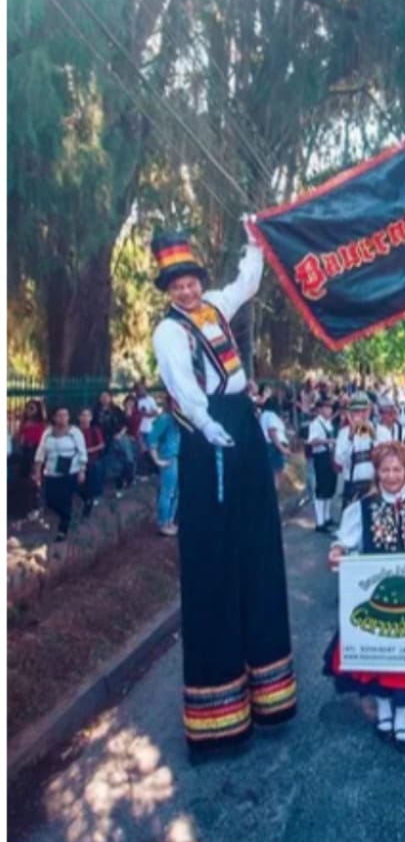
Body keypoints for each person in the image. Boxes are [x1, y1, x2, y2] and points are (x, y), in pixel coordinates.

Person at [150, 225, 296, 753]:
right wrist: (209, 427)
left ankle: (270, 695)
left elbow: (247, 284)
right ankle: (221, 712)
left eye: (190, 281)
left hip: (241, 424)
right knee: (215, 558)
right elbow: (183, 388)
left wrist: (254, 243)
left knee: (256, 545)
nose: (186, 290)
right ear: (167, 290)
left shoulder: (214, 307)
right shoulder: (170, 332)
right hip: (209, 433)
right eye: (177, 285)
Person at [323, 442, 405, 752]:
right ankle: (384, 713)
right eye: (385, 470)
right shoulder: (363, 507)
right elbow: (345, 542)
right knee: (379, 657)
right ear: (377, 473)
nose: (392, 476)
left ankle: (402, 719)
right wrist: (337, 551)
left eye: (397, 469)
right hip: (378, 596)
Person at [33, 406, 87, 541]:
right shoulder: (48, 433)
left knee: (65, 499)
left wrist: (82, 470)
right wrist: (37, 471)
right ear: (54, 417)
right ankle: (70, 512)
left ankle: (64, 527)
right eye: (60, 415)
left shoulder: (75, 432)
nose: (63, 418)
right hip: (51, 471)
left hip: (70, 470)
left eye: (65, 415)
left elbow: (82, 452)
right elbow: (41, 452)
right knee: (50, 500)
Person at [334, 393, 388, 510]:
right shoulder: (344, 434)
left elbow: (386, 457)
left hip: (376, 485)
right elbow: (340, 461)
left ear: (370, 411)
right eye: (356, 411)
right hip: (353, 486)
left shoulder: (382, 431)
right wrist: (350, 437)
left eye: (364, 411)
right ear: (350, 414)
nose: (360, 415)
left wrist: (373, 436)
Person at [149, 395, 182, 536]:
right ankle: (163, 523)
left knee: (175, 492)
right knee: (167, 492)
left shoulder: (179, 419)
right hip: (168, 458)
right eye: (175, 401)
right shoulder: (164, 419)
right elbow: (152, 439)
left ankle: (169, 520)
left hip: (177, 457)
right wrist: (157, 459)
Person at [306, 397, 340, 532]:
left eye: (330, 408)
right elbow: (312, 441)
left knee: (330, 487)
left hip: (330, 457)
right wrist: (328, 441)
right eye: (326, 408)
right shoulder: (315, 424)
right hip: (321, 457)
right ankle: (320, 522)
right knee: (322, 488)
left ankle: (327, 517)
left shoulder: (328, 423)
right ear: (320, 410)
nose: (329, 410)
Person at [12, 399, 47, 521]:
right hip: (26, 451)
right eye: (27, 408)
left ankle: (36, 506)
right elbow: (17, 437)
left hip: (37, 451)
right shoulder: (24, 423)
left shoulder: (42, 424)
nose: (29, 411)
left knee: (36, 479)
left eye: (32, 408)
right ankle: (26, 506)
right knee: (26, 480)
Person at [76, 408, 105, 520]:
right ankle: (86, 500)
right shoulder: (75, 430)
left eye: (87, 415)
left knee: (90, 486)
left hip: (92, 461)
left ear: (91, 418)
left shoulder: (94, 430)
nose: (85, 418)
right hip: (77, 462)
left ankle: (87, 508)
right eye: (83, 415)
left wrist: (89, 450)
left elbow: (101, 444)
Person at [259, 400, 292, 481]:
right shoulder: (271, 415)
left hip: (269, 446)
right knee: (276, 473)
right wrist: (283, 449)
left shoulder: (263, 416)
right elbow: (272, 433)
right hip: (273, 447)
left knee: (275, 472)